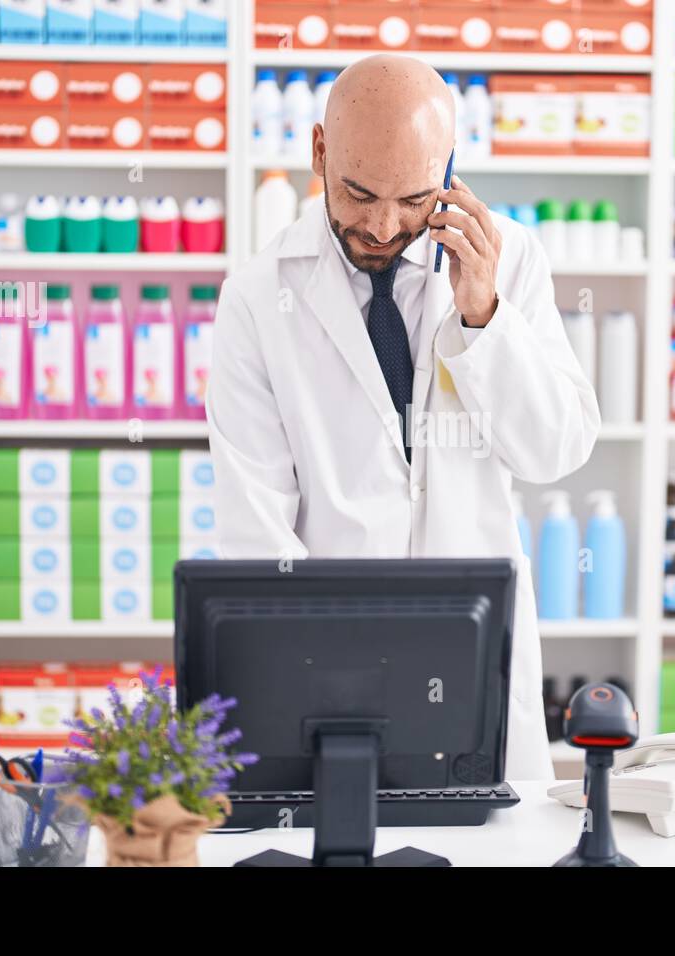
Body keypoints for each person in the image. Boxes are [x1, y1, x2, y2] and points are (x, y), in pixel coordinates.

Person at [206, 54, 600, 779]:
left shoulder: (506, 261)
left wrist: (483, 315)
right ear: (320, 151)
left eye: (415, 198)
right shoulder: (259, 299)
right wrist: (304, 689)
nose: (384, 226)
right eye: (358, 194)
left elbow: (556, 450)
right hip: (324, 671)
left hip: (479, 661)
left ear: (450, 169)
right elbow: (255, 540)